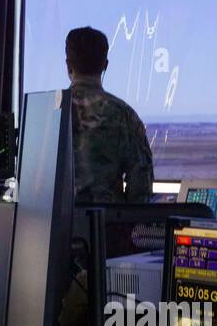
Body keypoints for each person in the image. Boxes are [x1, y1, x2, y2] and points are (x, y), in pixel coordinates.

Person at [65, 27, 154, 203]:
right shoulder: (124, 115)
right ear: (105, 65)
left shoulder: (46, 116)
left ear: (68, 65)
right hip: (106, 227)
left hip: (47, 227)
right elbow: (141, 186)